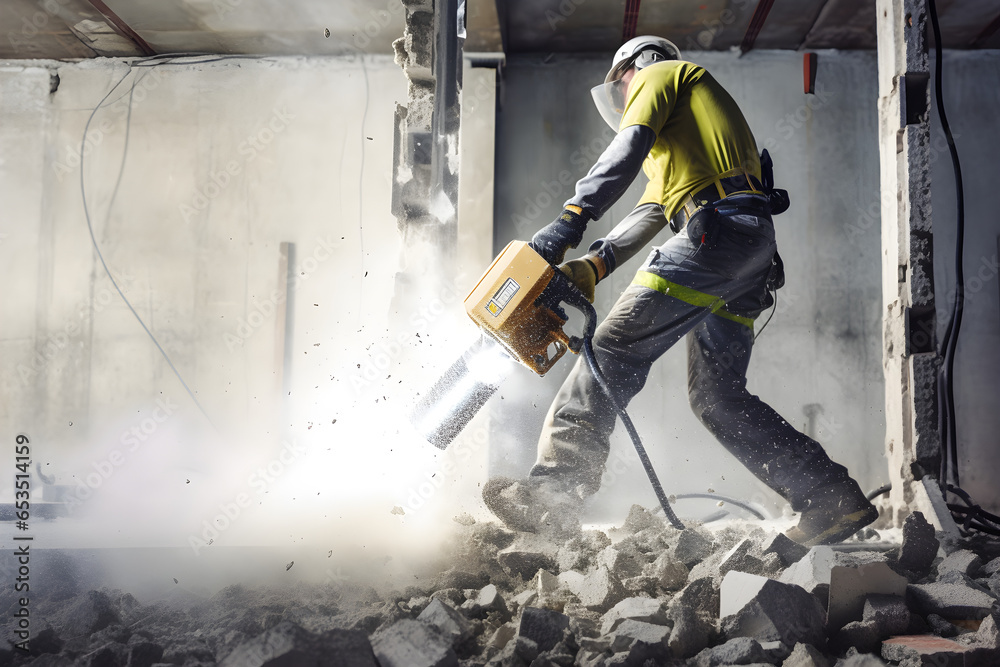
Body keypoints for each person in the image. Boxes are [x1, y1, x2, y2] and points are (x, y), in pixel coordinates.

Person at [483, 36, 877, 547]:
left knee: (612, 350)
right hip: (749, 254)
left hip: (713, 240)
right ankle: (830, 498)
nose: (625, 99)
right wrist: (590, 268)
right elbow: (648, 214)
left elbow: (625, 149)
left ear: (634, 68)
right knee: (718, 398)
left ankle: (554, 494)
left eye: (621, 86)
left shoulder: (661, 75)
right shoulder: (681, 150)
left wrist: (568, 222)